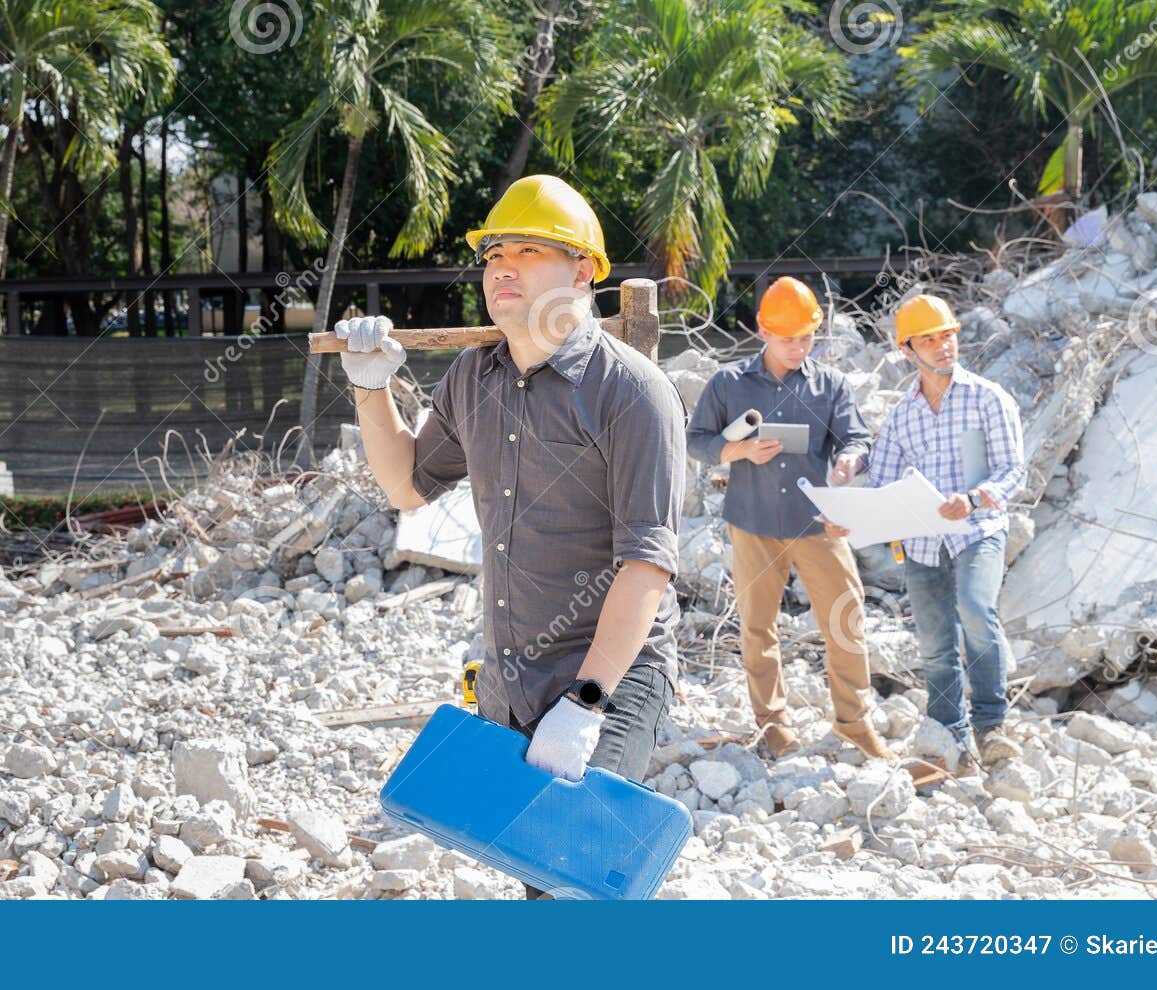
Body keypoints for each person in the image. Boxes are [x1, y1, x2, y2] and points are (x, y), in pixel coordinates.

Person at [336, 175, 688, 898]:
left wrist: (586, 701)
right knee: (541, 878)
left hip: (611, 681)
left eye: (529, 249)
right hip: (514, 677)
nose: (503, 265)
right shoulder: (474, 377)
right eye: (495, 250)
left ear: (584, 269)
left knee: (578, 885)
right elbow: (407, 485)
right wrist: (369, 387)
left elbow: (646, 568)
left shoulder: (632, 391)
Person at [686, 276, 895, 761]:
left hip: (816, 524)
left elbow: (857, 440)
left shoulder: (832, 386)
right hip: (751, 522)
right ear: (762, 330)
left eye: (806, 338)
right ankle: (773, 724)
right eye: (788, 339)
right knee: (758, 628)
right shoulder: (728, 384)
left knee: (846, 620)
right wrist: (736, 450)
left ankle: (854, 723)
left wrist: (850, 462)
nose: (799, 348)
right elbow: (696, 440)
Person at [823, 293, 1024, 773]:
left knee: (976, 610)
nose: (943, 347)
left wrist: (973, 498)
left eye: (948, 336)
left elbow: (1014, 471)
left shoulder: (987, 398)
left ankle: (992, 725)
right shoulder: (902, 416)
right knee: (935, 642)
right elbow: (886, 485)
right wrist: (849, 519)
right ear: (907, 350)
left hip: (977, 530)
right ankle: (947, 735)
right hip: (922, 543)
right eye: (930, 340)